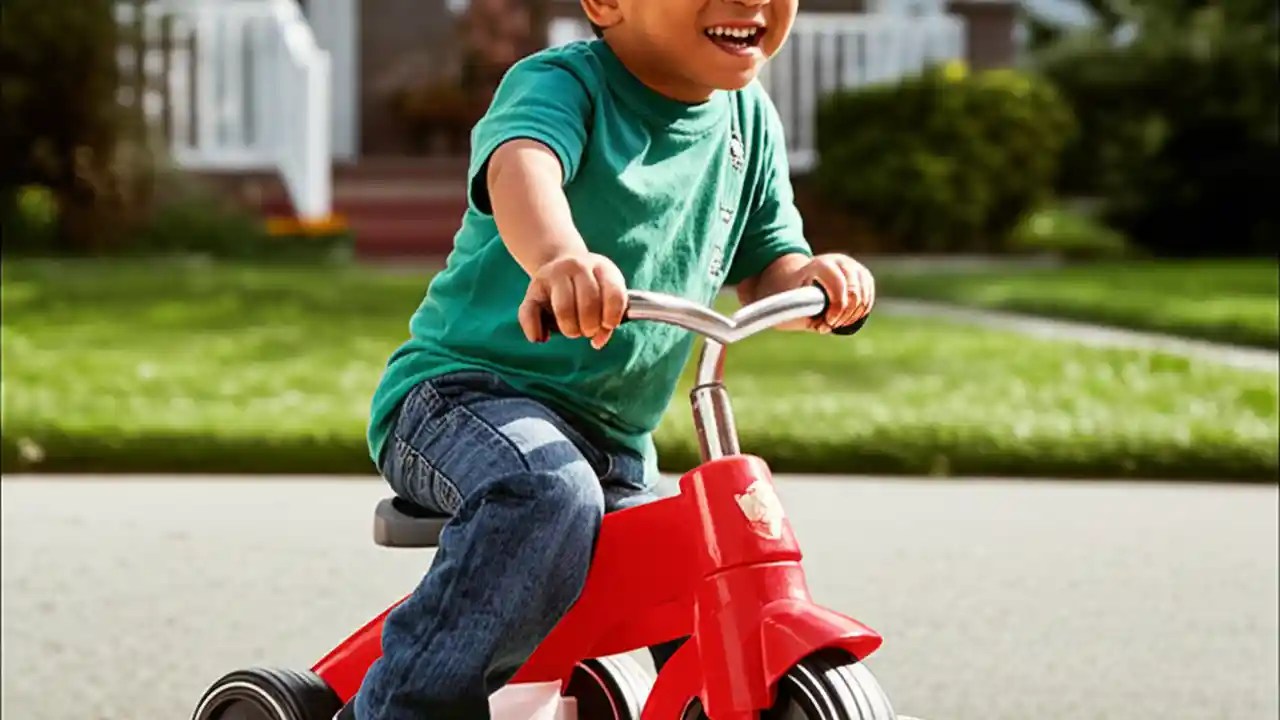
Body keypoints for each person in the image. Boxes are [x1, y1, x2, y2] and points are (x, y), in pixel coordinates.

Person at [343, 0, 875, 715]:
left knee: (694, 554)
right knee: (548, 493)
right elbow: (521, 170)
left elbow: (770, 264)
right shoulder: (562, 85)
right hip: (461, 398)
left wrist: (812, 281)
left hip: (614, 444)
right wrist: (559, 257)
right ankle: (402, 707)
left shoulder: (748, 121)